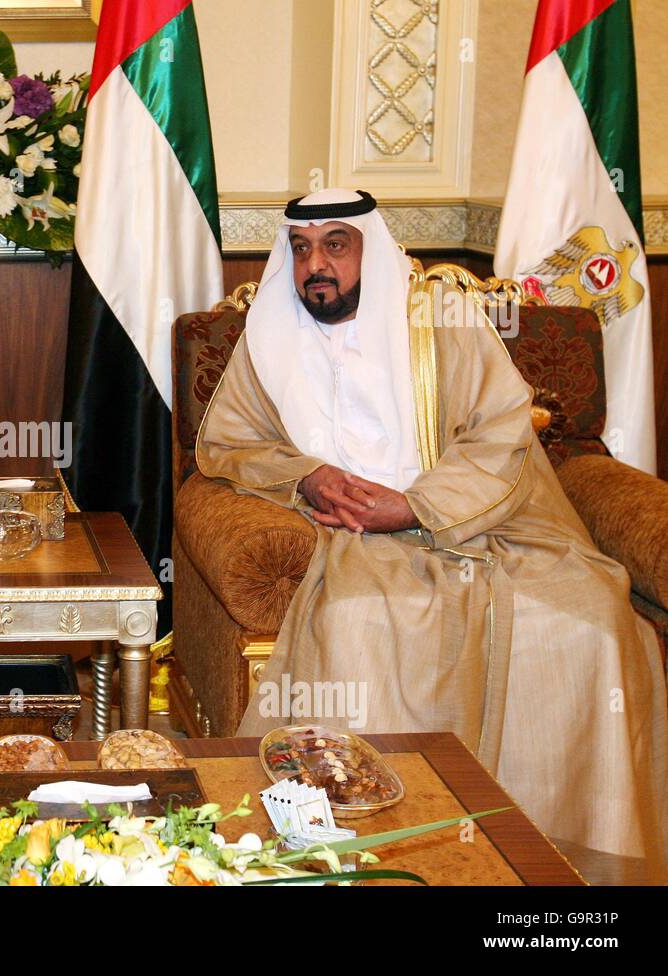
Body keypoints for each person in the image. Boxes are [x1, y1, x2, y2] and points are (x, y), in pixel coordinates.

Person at [196, 188, 668, 881]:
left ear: (370, 248)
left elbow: (501, 429)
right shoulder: (269, 335)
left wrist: (418, 506)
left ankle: (560, 856)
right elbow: (231, 442)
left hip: (479, 516)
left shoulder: (442, 318)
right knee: (359, 624)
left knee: (594, 617)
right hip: (357, 533)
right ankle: (370, 851)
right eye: (300, 249)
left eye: (336, 246)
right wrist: (308, 477)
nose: (314, 266)